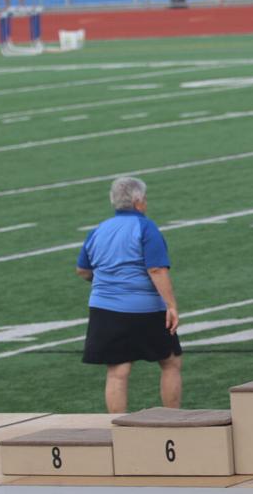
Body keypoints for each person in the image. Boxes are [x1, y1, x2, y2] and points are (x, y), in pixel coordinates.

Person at [76, 177, 181, 414]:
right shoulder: (145, 227)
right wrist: (171, 304)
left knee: (117, 371)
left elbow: (83, 270)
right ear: (138, 202)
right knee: (170, 362)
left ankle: (117, 425)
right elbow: (156, 269)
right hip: (145, 307)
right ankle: (175, 418)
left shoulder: (98, 230)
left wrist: (105, 283)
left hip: (104, 308)